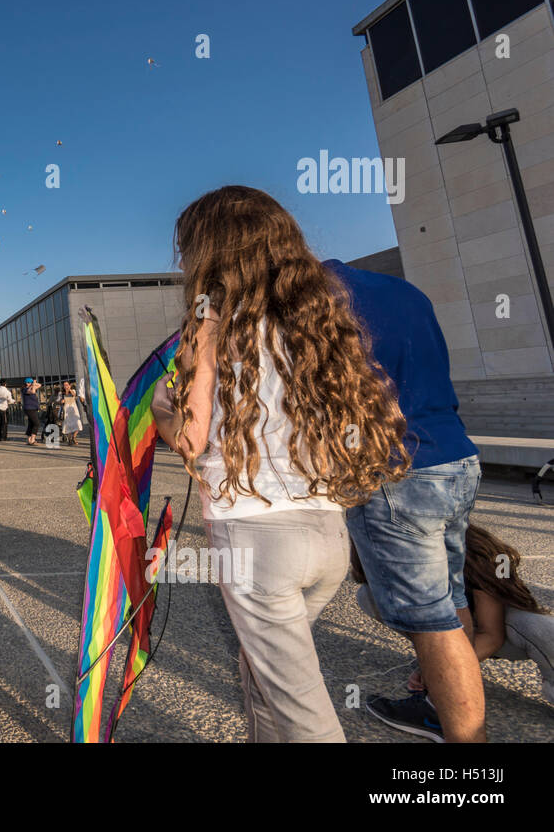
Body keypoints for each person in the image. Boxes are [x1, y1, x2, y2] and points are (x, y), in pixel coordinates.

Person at [150, 185, 409, 743]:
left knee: (305, 716)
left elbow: (191, 440)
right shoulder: (315, 323)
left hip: (257, 541)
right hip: (326, 536)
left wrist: (161, 407)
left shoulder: (212, 326)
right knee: (262, 674)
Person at [326, 255, 487, 742]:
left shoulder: (319, 306)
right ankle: (440, 704)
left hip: (397, 469)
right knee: (450, 596)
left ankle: (464, 739)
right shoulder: (405, 292)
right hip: (455, 456)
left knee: (429, 622)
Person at [352, 524, 554, 728]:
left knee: (533, 624)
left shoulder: (477, 553)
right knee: (371, 596)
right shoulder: (384, 545)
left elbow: (492, 635)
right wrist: (432, 665)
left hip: (501, 632)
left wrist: (441, 669)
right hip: (449, 630)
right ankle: (435, 670)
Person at [62, 380, 83, 447]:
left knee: (78, 424)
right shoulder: (62, 393)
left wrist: (69, 390)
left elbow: (74, 395)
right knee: (68, 424)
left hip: (73, 409)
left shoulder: (73, 390)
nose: (66, 386)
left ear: (69, 385)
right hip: (66, 409)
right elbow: (60, 400)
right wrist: (61, 401)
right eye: (64, 385)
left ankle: (74, 437)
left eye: (67, 385)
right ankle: (70, 440)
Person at [22, 378, 42, 445]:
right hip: (29, 408)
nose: (28, 383)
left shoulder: (32, 387)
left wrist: (34, 383)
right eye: (27, 382)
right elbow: (33, 391)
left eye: (29, 382)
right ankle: (33, 439)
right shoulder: (25, 389)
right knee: (37, 423)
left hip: (33, 408)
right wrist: (33, 385)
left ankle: (29, 440)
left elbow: (40, 385)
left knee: (31, 424)